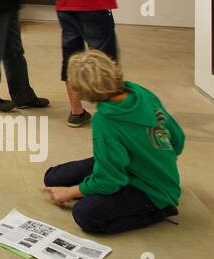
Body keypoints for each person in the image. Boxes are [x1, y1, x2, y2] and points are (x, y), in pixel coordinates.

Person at [41, 50, 183, 234]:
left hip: (152, 191)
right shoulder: (139, 92)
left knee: (85, 214)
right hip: (130, 167)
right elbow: (177, 139)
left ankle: (161, 210)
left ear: (84, 92)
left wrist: (71, 192)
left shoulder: (105, 121)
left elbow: (109, 181)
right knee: (53, 178)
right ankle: (112, 162)